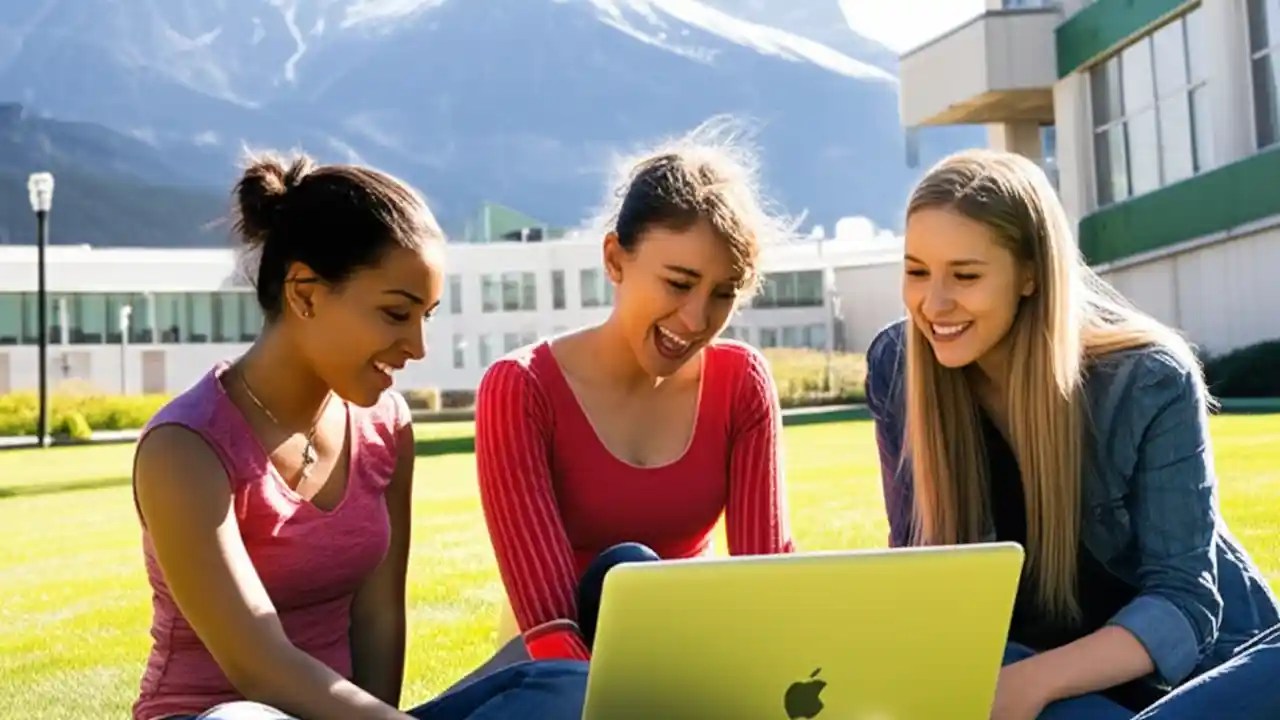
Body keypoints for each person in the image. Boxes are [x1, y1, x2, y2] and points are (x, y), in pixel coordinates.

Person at [130, 152, 587, 720]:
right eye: (397, 314)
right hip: (225, 713)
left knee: (564, 683)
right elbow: (258, 666)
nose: (418, 346)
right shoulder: (185, 447)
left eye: (428, 316)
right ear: (305, 294)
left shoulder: (385, 427)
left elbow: (378, 618)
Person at [864, 148, 1280, 719]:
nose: (933, 304)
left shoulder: (1147, 379)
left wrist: (1032, 684)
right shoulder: (899, 367)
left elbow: (1183, 601)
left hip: (1189, 681)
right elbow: (923, 581)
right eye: (916, 272)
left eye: (965, 275)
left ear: (1031, 274)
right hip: (1032, 679)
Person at [474, 120, 797, 660]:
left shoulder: (741, 383)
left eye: (724, 293)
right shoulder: (521, 388)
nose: (697, 319)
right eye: (678, 283)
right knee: (626, 567)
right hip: (554, 669)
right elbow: (551, 630)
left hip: (691, 650)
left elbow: (766, 582)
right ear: (614, 260)